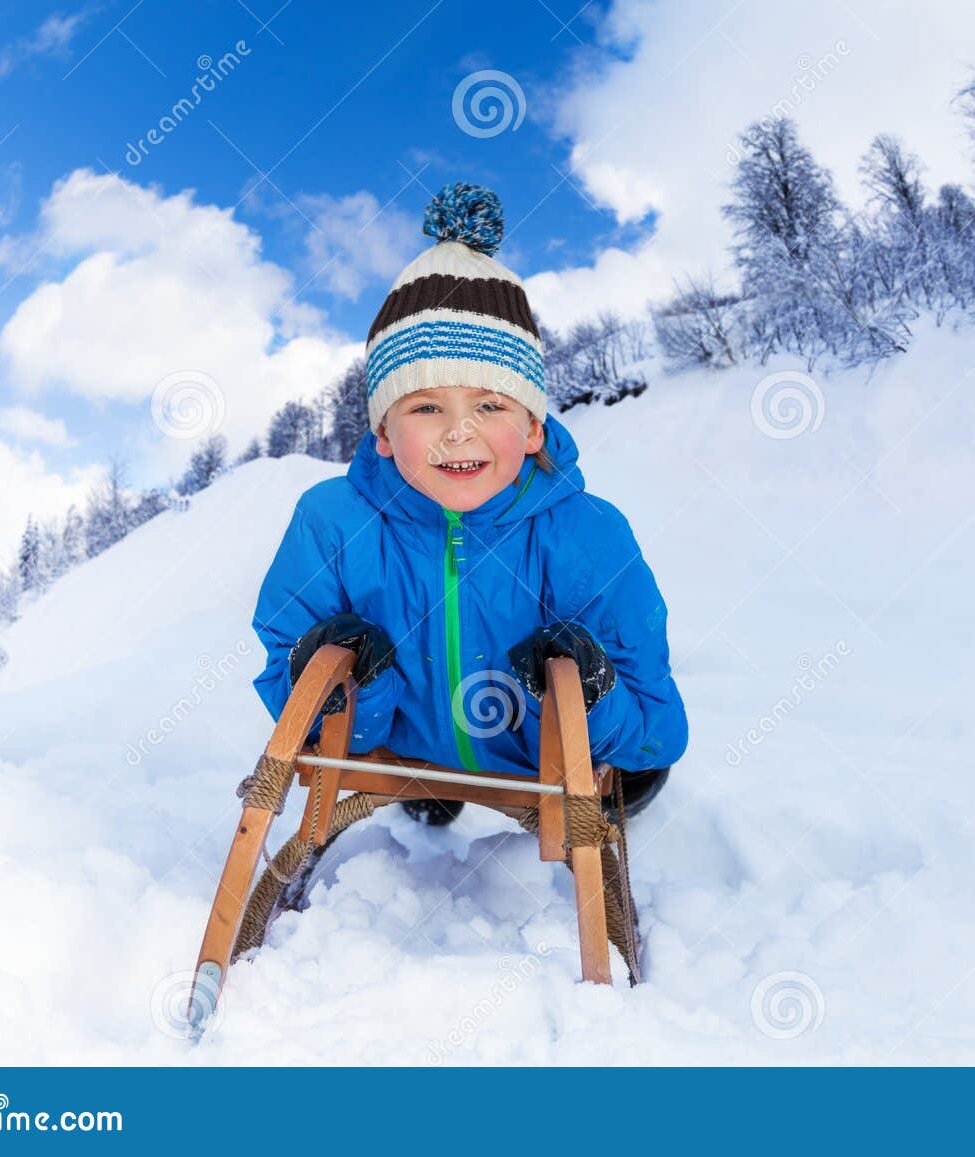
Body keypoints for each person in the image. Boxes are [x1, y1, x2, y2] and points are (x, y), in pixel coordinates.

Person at [251, 182, 686, 826]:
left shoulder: (589, 534)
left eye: (491, 405)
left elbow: (658, 726)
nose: (459, 432)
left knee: (637, 772)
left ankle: (586, 798)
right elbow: (286, 676)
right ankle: (436, 788)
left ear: (534, 428)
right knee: (395, 740)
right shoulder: (332, 521)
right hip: (408, 749)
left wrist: (588, 697)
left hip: (547, 755)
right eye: (426, 407)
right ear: (382, 435)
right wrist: (354, 686)